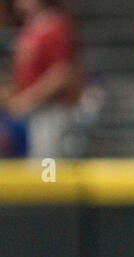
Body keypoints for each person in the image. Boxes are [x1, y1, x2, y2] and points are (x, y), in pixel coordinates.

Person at [8, 0, 82, 159]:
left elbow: (61, 72)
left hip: (51, 110)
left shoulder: (53, 26)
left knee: (47, 169)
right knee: (37, 167)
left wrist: (29, 98)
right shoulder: (32, 27)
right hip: (36, 111)